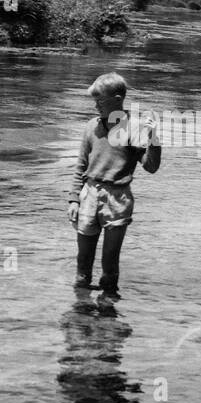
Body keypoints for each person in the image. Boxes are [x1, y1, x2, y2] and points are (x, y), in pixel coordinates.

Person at [68, 72, 161, 298]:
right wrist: (73, 199)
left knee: (109, 261)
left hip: (117, 199)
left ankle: (108, 310)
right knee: (83, 262)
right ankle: (81, 309)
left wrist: (153, 138)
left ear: (118, 100)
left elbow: (151, 166)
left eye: (100, 100)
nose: (96, 105)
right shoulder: (91, 126)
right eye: (94, 100)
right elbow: (81, 165)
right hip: (88, 194)